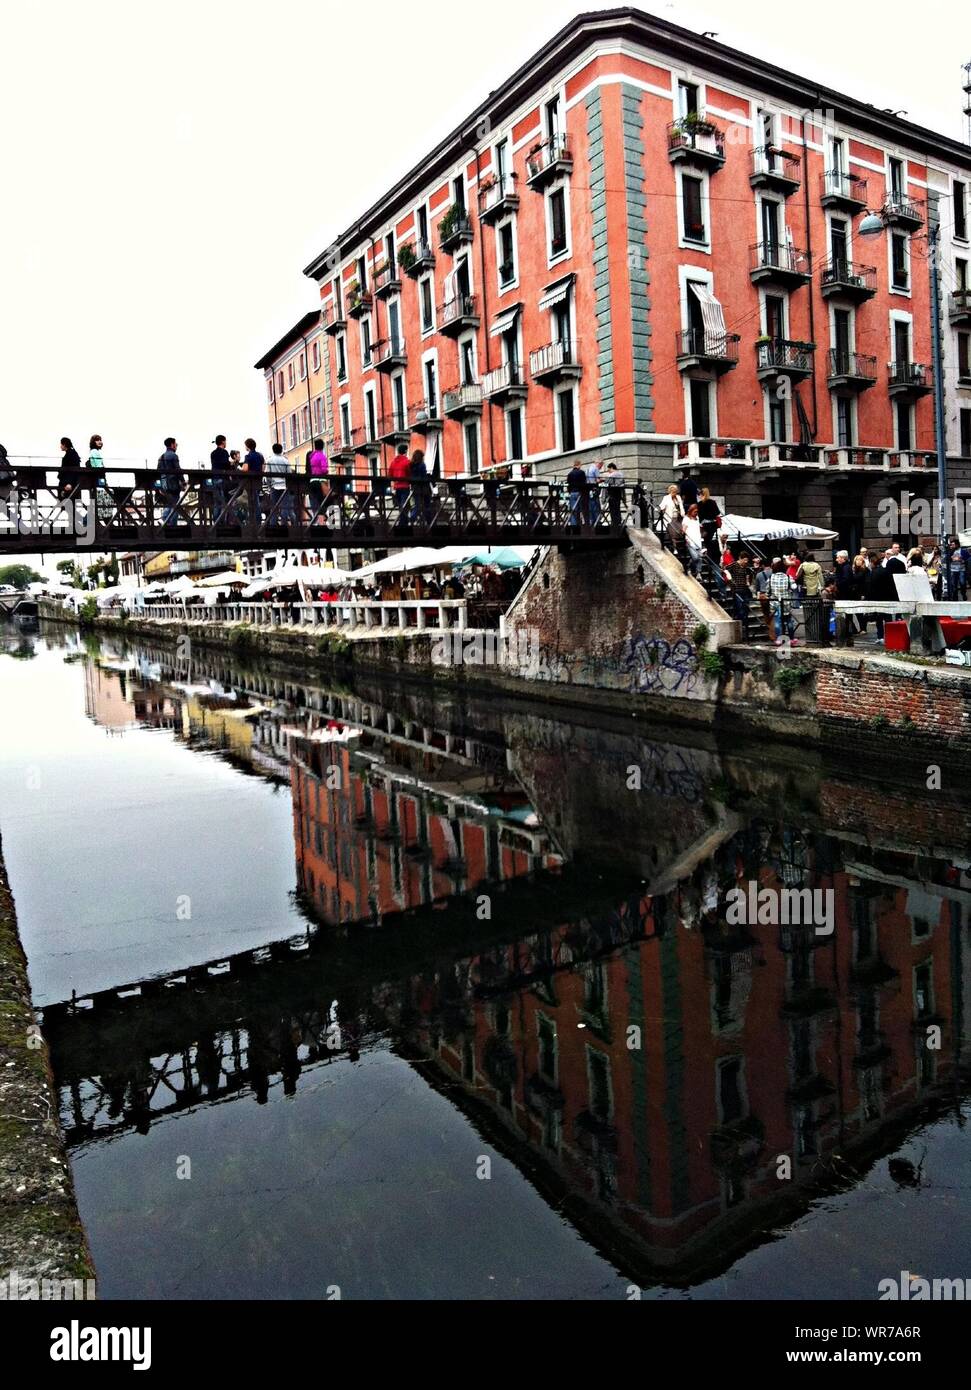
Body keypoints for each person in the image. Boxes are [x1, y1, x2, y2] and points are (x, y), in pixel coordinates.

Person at [768, 556, 799, 646]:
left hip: (775, 603)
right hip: (786, 603)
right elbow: (794, 587)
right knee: (789, 621)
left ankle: (779, 639)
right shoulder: (788, 577)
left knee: (778, 621)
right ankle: (791, 639)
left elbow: (767, 590)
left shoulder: (771, 578)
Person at [156, 437, 184, 524]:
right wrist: (183, 481)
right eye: (175, 444)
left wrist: (159, 486)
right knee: (175, 504)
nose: (176, 445)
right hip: (173, 483)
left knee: (169, 502)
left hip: (164, 484)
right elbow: (178, 470)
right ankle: (170, 523)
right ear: (172, 445)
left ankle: (165, 520)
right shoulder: (174, 456)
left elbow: (157, 472)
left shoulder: (161, 457)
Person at [267, 441, 294, 523]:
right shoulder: (285, 460)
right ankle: (284, 524)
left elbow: (267, 474)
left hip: (274, 485)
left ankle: (273, 525)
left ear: (273, 450)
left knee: (273, 508)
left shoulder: (269, 460)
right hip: (284, 485)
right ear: (281, 450)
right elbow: (289, 473)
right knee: (284, 507)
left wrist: (269, 485)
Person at [697, 486, 722, 565]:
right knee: (713, 541)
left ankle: (709, 558)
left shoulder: (700, 504)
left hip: (705, 525)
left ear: (702, 494)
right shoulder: (712, 502)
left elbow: (699, 515)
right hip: (713, 525)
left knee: (707, 542)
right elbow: (717, 513)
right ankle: (713, 558)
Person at [658, 483, 684, 551]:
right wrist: (661, 509)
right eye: (673, 491)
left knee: (680, 532)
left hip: (678, 517)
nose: (674, 492)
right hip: (670, 517)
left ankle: (680, 547)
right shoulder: (666, 498)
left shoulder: (678, 497)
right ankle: (675, 548)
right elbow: (662, 506)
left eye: (675, 491)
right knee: (673, 533)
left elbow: (681, 506)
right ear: (670, 491)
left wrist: (682, 514)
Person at [210, 434, 230, 521]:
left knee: (217, 502)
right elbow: (226, 465)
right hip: (222, 478)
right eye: (225, 441)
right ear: (222, 442)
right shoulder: (224, 452)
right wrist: (231, 463)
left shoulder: (213, 453)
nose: (226, 443)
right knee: (224, 502)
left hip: (214, 478)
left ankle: (215, 522)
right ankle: (222, 522)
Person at [410, 448, 432, 525]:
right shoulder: (422, 465)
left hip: (415, 488)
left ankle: (412, 518)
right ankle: (429, 522)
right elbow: (424, 476)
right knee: (427, 505)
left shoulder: (411, 465)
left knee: (417, 505)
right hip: (424, 488)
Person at [388, 442, 411, 517]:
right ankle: (404, 521)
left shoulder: (393, 462)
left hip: (396, 487)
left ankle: (402, 520)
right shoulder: (407, 462)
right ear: (405, 451)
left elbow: (390, 475)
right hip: (405, 486)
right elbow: (410, 473)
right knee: (405, 505)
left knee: (400, 506)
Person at [57, 436, 82, 502]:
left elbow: (73, 470)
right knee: (67, 501)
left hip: (68, 482)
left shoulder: (71, 454)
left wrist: (70, 483)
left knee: (67, 500)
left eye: (61, 444)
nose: (60, 446)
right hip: (68, 481)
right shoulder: (71, 453)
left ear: (64, 444)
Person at [683, 503, 703, 576]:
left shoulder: (697, 518)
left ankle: (698, 573)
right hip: (690, 541)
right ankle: (688, 566)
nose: (696, 513)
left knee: (700, 558)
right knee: (695, 557)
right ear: (691, 511)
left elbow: (698, 528)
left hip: (698, 540)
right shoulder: (686, 519)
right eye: (695, 511)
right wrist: (686, 537)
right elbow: (683, 530)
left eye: (697, 512)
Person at [604, 462, 625, 527]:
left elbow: (607, 482)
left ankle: (614, 523)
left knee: (613, 509)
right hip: (618, 493)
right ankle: (618, 522)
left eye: (609, 469)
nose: (608, 471)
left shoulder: (613, 474)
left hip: (612, 493)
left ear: (612, 468)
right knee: (617, 508)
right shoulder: (621, 474)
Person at [566, 462, 588, 526]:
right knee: (582, 509)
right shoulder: (581, 472)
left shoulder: (570, 473)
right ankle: (584, 524)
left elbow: (568, 484)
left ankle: (574, 525)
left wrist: (569, 492)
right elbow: (584, 483)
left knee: (573, 510)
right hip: (579, 492)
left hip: (572, 493)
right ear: (579, 465)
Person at [947, 537, 967, 601]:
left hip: (961, 570)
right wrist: (951, 557)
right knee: (954, 584)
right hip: (953, 570)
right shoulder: (951, 551)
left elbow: (968, 559)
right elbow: (947, 559)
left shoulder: (963, 551)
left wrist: (962, 560)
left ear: (957, 544)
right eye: (951, 545)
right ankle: (955, 598)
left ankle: (963, 594)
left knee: (962, 583)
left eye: (953, 545)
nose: (952, 546)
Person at [585, 457, 602, 524]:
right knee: (596, 506)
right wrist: (602, 480)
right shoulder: (596, 468)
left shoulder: (588, 469)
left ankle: (591, 521)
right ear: (599, 463)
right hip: (594, 489)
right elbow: (597, 480)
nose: (601, 467)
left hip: (588, 490)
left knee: (590, 506)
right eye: (601, 465)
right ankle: (597, 522)